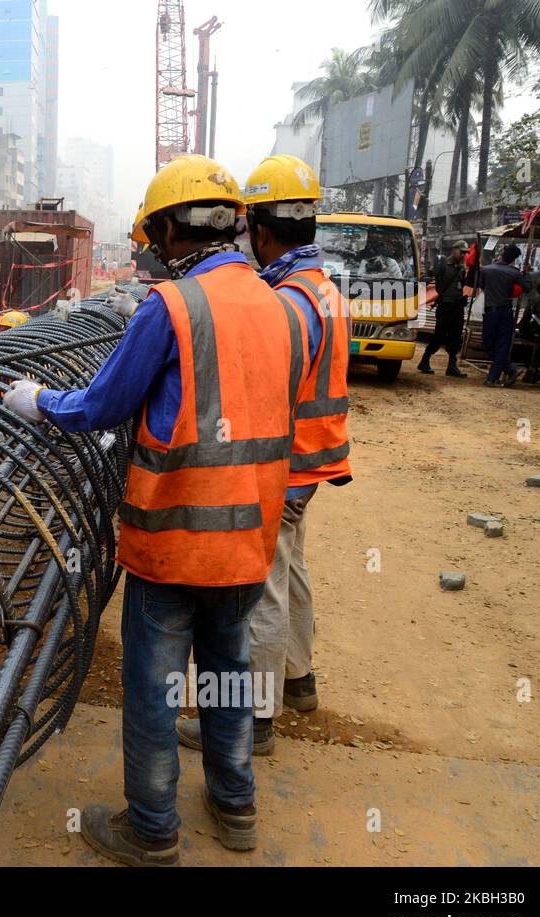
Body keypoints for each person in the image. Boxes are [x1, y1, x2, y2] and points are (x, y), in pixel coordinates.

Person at [2, 154, 306, 866]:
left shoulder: (170, 307)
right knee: (228, 669)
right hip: (248, 536)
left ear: (169, 229)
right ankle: (236, 806)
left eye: (155, 235)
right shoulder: (279, 304)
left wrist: (35, 400)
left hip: (175, 538)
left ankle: (152, 828)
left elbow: (104, 404)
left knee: (153, 686)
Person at [173, 154, 351, 758]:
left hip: (287, 463)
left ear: (264, 231)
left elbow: (266, 385)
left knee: (265, 588)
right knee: (292, 569)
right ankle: (299, 679)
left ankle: (254, 719)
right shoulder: (321, 289)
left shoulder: (288, 302)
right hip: (315, 457)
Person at [479, 244, 531, 387]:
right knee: (502, 345)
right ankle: (509, 369)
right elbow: (527, 288)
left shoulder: (486, 270)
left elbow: (482, 287)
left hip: (490, 312)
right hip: (506, 312)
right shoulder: (514, 273)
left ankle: (493, 377)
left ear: (502, 253)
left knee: (488, 343)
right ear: (513, 259)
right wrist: (526, 274)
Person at [419, 240, 470, 377]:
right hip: (445, 306)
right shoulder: (442, 264)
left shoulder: (461, 267)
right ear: (454, 250)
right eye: (461, 252)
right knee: (439, 336)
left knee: (455, 337)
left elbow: (463, 284)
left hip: (457, 306)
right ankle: (425, 360)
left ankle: (452, 366)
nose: (463, 255)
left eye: (465, 253)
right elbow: (430, 275)